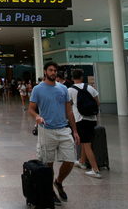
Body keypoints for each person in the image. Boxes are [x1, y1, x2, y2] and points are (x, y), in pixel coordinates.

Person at [28, 61, 80, 207]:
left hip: (63, 128)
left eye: (55, 71)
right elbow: (31, 109)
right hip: (46, 130)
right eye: (50, 70)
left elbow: (69, 111)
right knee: (48, 163)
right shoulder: (38, 90)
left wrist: (75, 131)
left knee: (70, 161)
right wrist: (37, 116)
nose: (53, 73)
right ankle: (50, 189)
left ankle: (58, 182)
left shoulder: (63, 89)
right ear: (45, 72)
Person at [68, 70, 102, 179]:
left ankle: (96, 170)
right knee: (85, 141)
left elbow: (67, 107)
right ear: (82, 78)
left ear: (72, 78)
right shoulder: (90, 88)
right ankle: (82, 161)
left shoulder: (70, 90)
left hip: (80, 119)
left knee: (86, 144)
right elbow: (97, 104)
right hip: (92, 119)